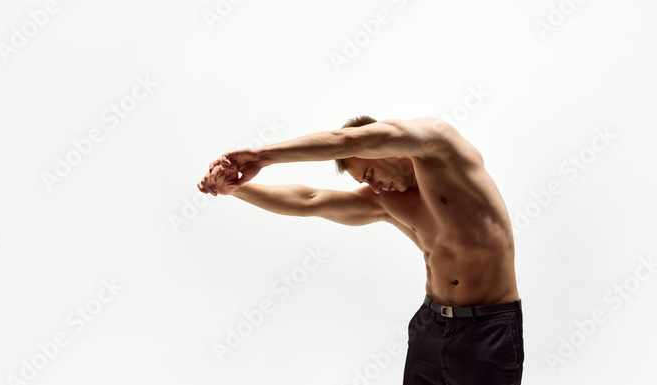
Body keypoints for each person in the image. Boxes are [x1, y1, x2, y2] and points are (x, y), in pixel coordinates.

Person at [197, 116, 523, 385]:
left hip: (487, 330)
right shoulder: (387, 201)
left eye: (369, 173)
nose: (374, 186)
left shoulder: (442, 146)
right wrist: (235, 188)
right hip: (431, 325)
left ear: (386, 148)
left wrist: (261, 156)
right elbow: (309, 201)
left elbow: (349, 141)